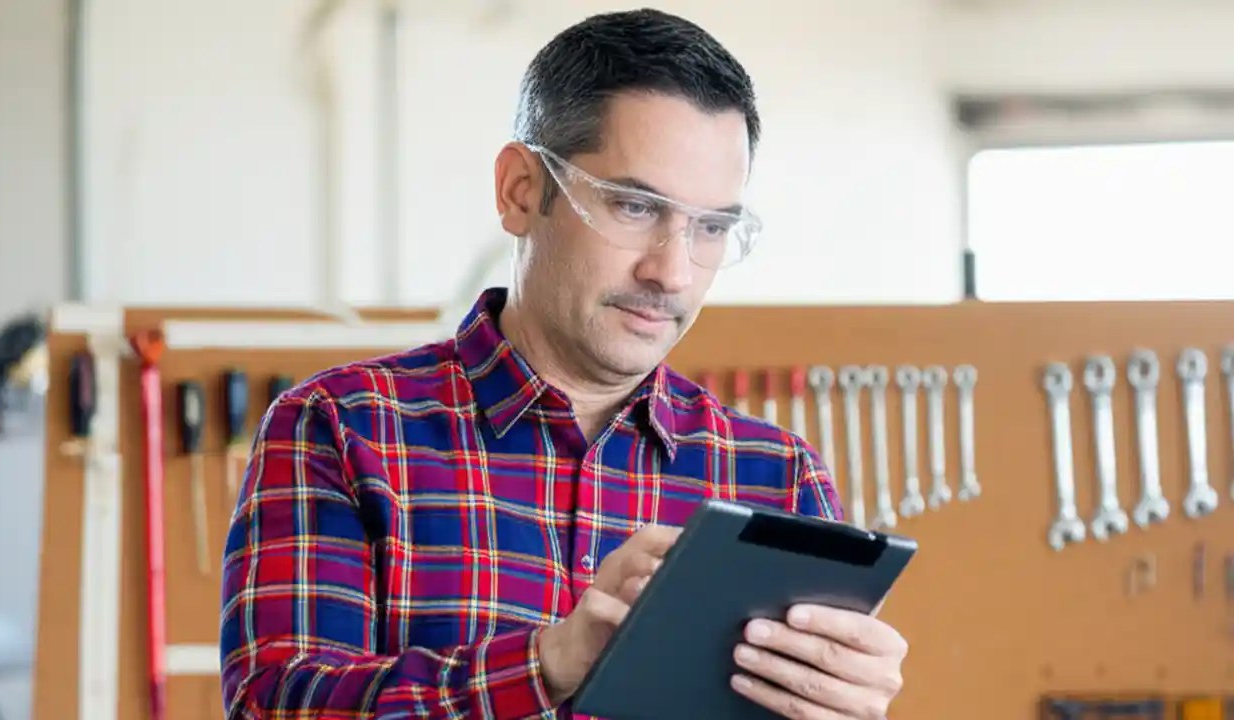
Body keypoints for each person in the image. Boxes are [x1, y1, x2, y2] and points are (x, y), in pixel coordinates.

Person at [219, 8, 908, 719]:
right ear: (521, 191)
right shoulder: (340, 428)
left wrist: (841, 705)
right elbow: (276, 705)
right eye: (634, 206)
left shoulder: (776, 478)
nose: (672, 272)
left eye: (711, 227)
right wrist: (548, 663)